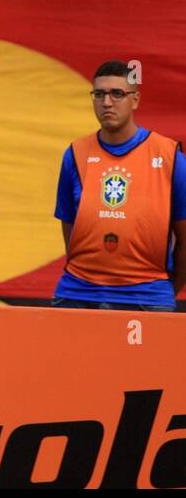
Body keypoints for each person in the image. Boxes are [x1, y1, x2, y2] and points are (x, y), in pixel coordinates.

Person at [52, 61, 186, 312]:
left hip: (147, 296)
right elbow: (70, 228)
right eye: (99, 94)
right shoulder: (75, 154)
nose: (107, 102)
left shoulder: (169, 157)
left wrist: (163, 290)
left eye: (117, 94)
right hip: (77, 293)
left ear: (135, 100)